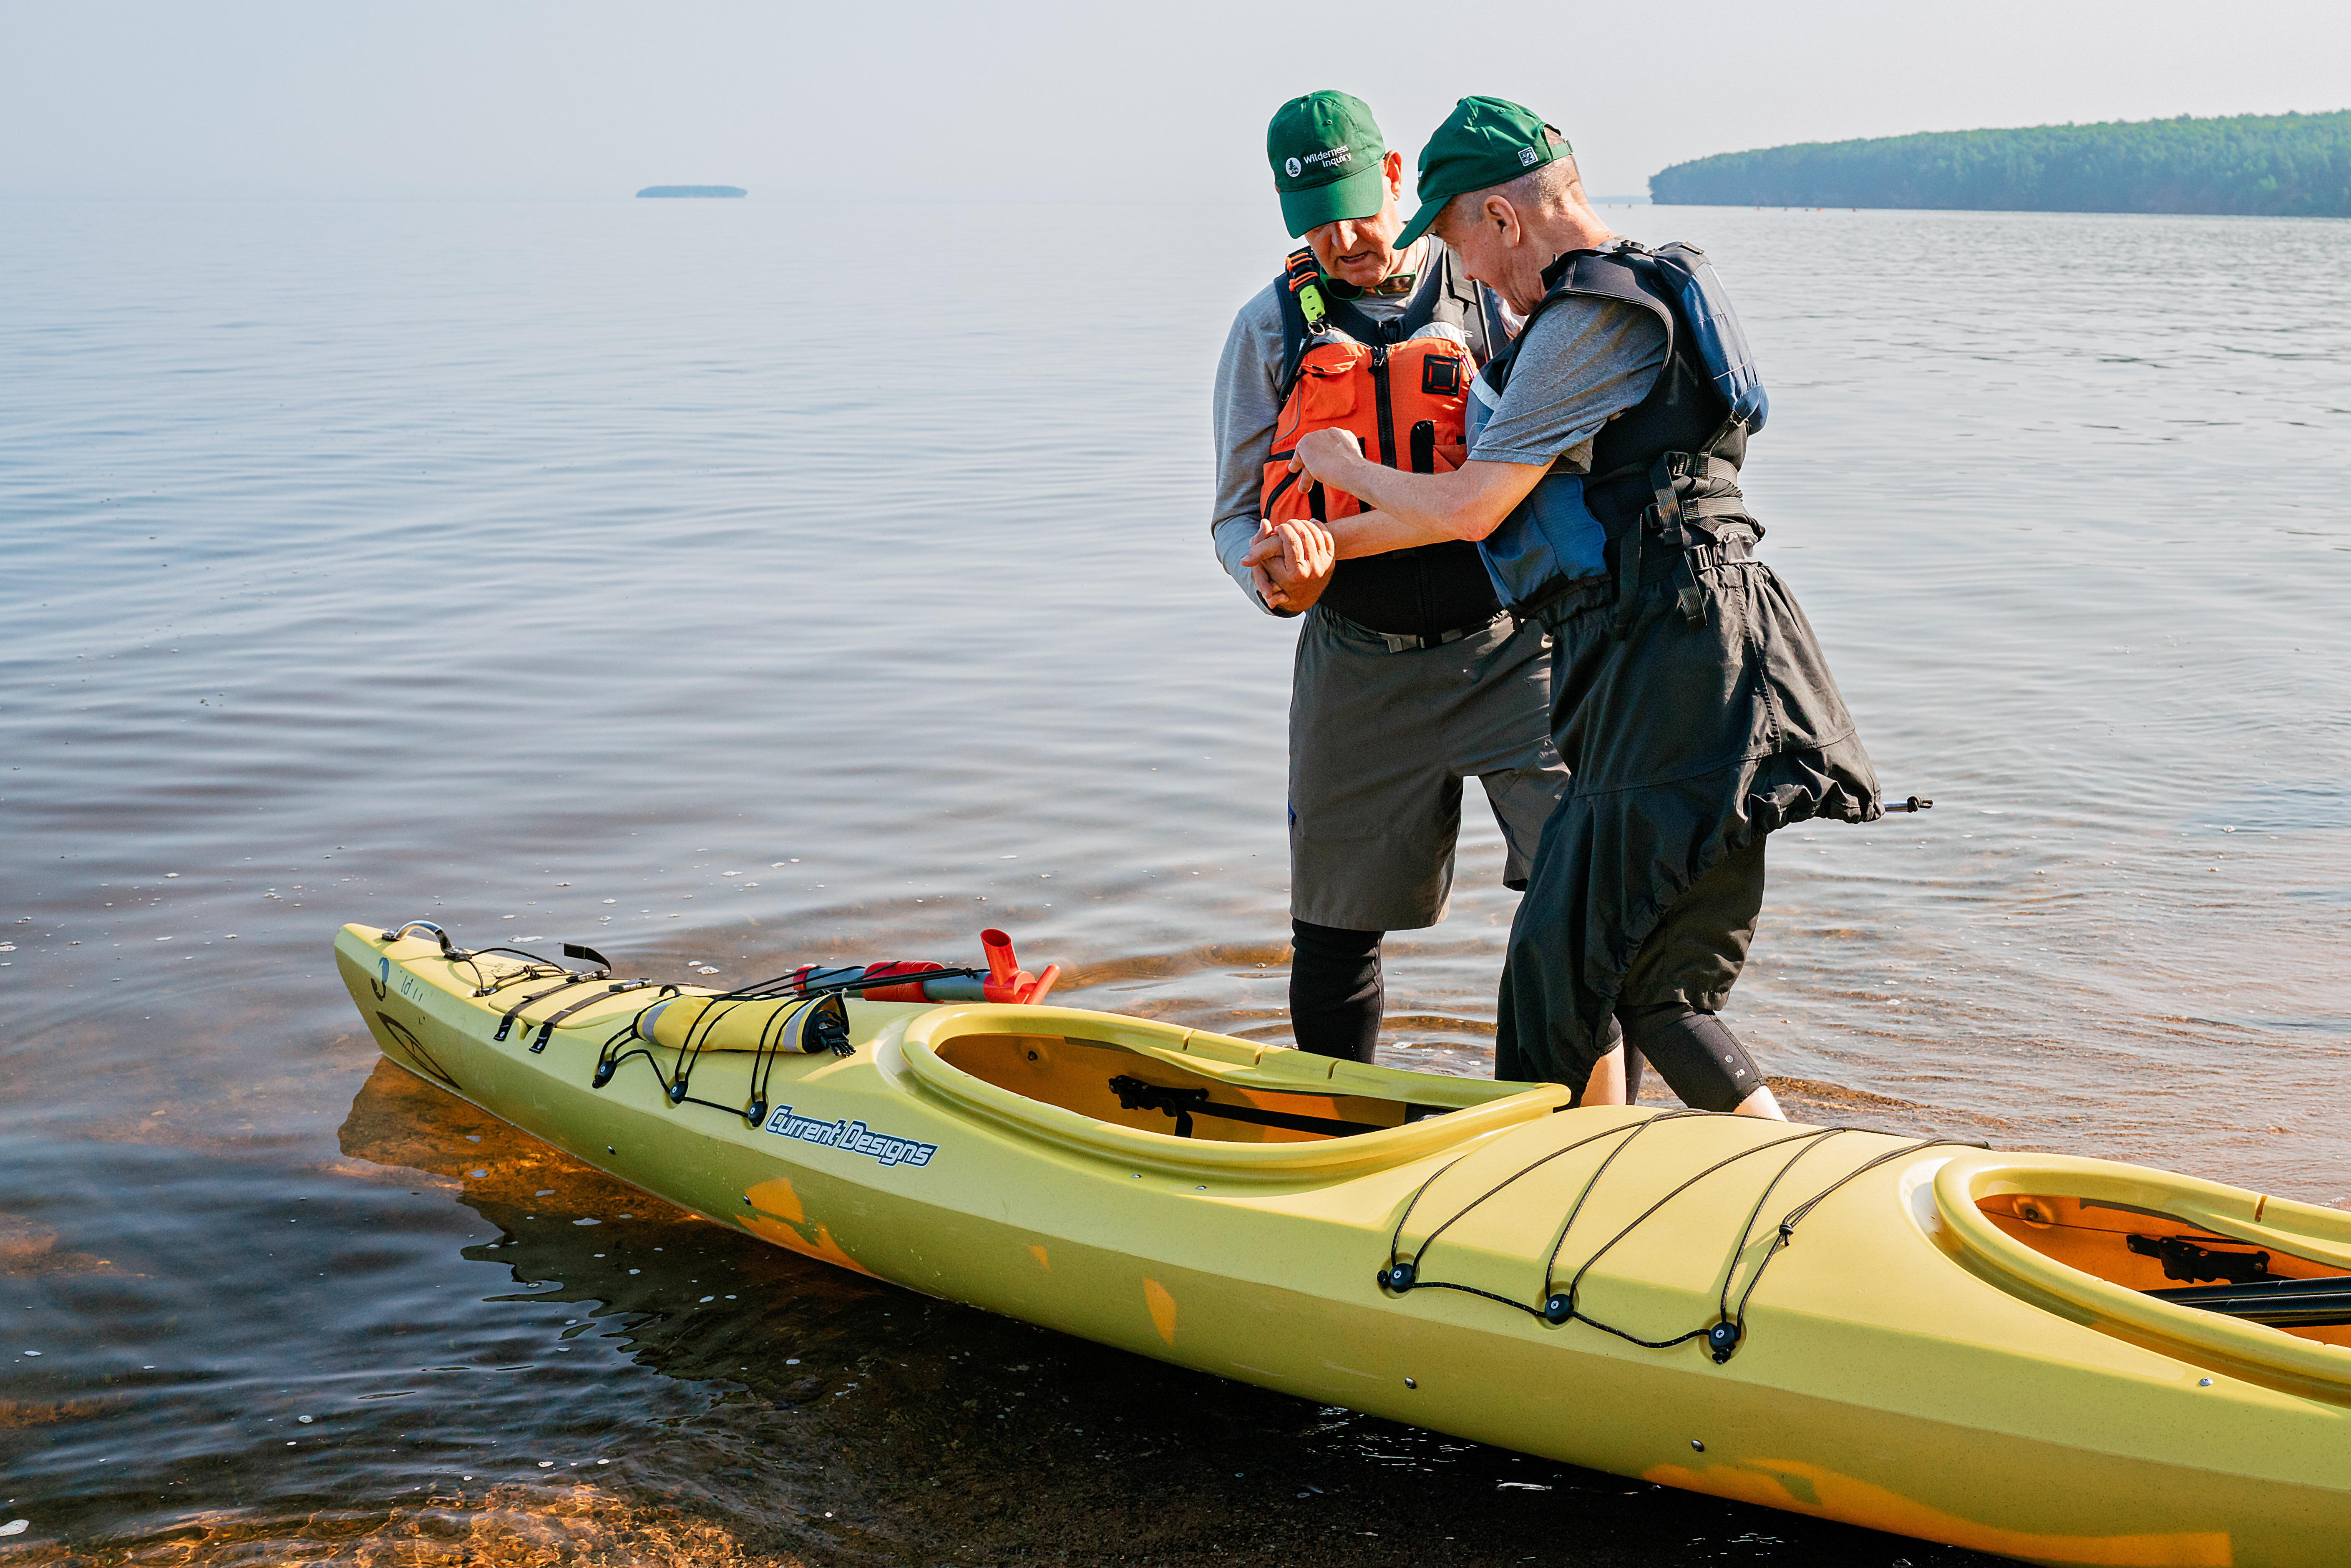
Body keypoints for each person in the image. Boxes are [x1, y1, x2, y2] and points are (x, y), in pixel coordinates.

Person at [1247, 96, 1881, 1116]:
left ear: (1501, 218)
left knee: (1565, 977)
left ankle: (1596, 1177)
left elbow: (1472, 505)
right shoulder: (1645, 283)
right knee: (1649, 984)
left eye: (1458, 237)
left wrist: (1344, 469)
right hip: (1708, 652)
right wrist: (1304, 559)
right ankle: (1779, 1174)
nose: (1467, 268)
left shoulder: (1584, 319)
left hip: (1671, 664)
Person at [1210, 90, 1569, 1064]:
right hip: (1355, 660)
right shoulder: (1268, 327)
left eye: (1356, 210)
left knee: (1577, 892)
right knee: (1332, 933)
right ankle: (1338, 1127)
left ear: (1398, 175)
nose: (1343, 239)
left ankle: (1566, 1120)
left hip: (1514, 650)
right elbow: (1234, 515)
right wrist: (1273, 583)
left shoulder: (1490, 290)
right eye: (1314, 223)